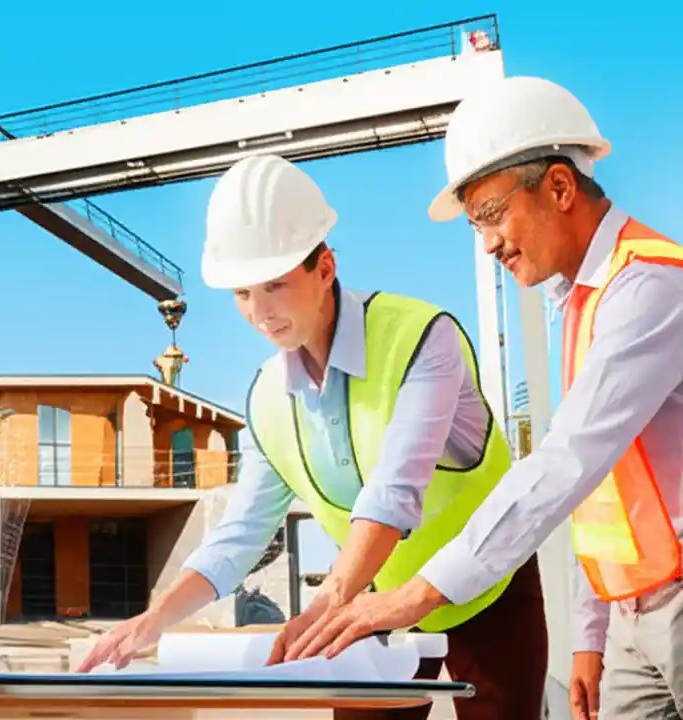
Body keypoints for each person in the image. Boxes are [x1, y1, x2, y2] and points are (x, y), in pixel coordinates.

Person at [76, 154, 548, 719]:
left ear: (324, 268)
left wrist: (329, 599)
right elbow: (242, 532)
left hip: (485, 588)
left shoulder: (423, 337)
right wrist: (156, 618)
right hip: (370, 594)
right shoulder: (267, 398)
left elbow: (396, 491)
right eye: (242, 294)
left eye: (274, 286)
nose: (259, 313)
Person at [288, 74, 683, 720]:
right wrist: (590, 634)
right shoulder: (584, 301)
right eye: (475, 225)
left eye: (492, 216)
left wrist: (416, 593)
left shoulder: (648, 289)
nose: (489, 243)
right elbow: (605, 486)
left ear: (559, 187)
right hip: (634, 614)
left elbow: (566, 464)